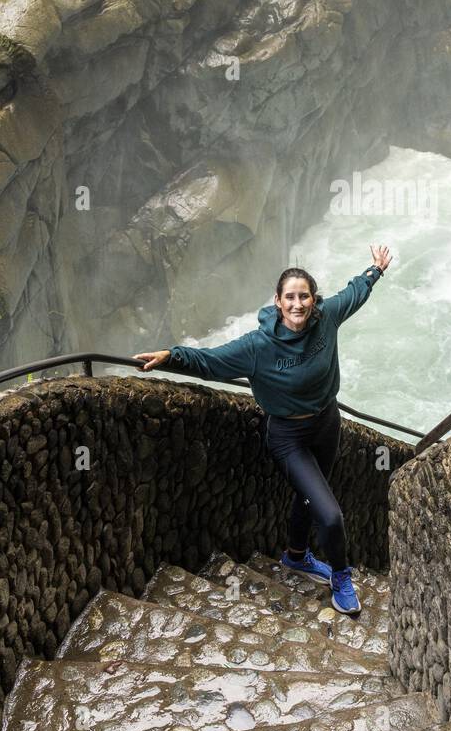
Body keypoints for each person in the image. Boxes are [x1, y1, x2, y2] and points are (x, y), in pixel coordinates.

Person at [132, 244, 392, 616]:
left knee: (308, 495)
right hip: (288, 436)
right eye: (290, 297)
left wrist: (374, 271)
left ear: (314, 299)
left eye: (304, 296)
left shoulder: (327, 317)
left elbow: (354, 294)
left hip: (326, 424)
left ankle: (296, 556)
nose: (298, 304)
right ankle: (341, 576)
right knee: (331, 515)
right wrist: (171, 357)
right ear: (278, 300)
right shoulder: (258, 346)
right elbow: (211, 361)